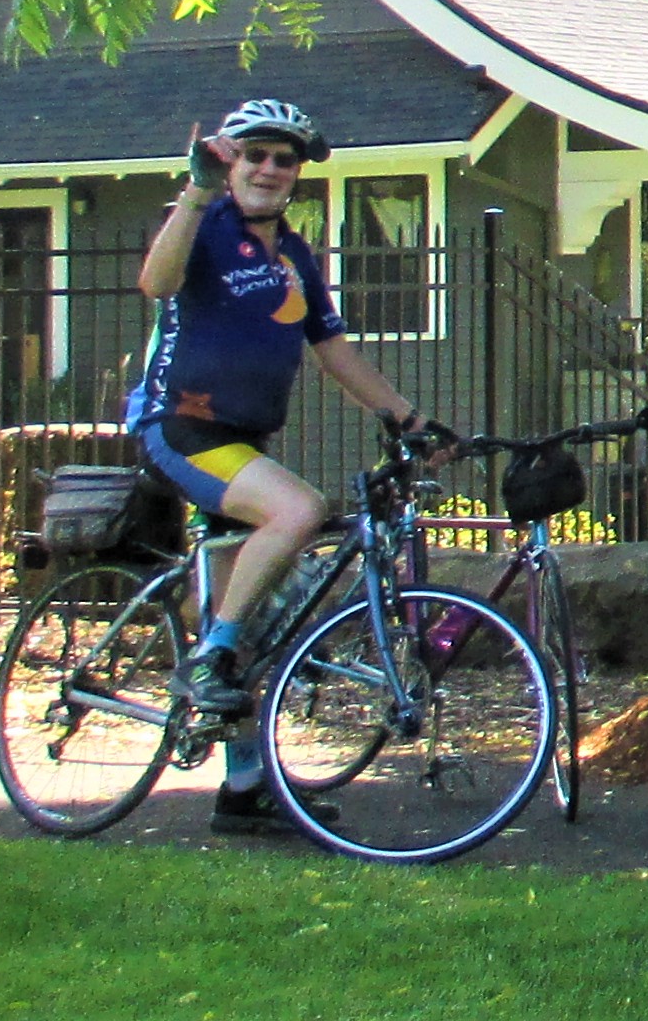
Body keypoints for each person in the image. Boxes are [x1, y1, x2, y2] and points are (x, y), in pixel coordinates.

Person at [130, 96, 435, 831]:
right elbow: (157, 284)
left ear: (298, 174)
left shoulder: (296, 256)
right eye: (255, 154)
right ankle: (214, 658)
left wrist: (408, 418)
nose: (268, 168)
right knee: (298, 510)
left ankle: (241, 788)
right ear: (231, 161)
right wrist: (198, 190)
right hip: (182, 426)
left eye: (284, 159)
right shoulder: (202, 224)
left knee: (254, 615)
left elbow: (331, 347)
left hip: (244, 440)